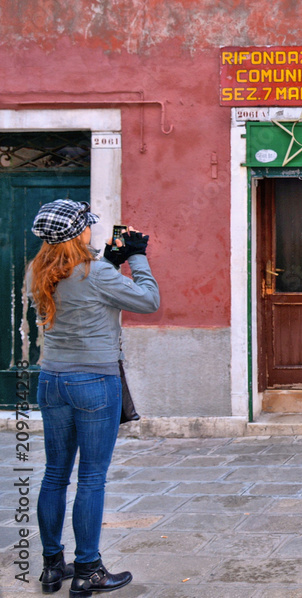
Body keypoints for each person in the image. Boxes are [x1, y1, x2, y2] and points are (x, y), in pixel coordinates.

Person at [27, 199, 159, 596]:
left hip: (52, 380)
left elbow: (84, 291)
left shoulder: (39, 270)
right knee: (91, 477)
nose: (91, 230)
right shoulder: (96, 272)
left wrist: (110, 262)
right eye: (87, 225)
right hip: (94, 382)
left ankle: (52, 567)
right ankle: (88, 570)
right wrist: (136, 257)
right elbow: (148, 301)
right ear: (78, 232)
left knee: (55, 474)